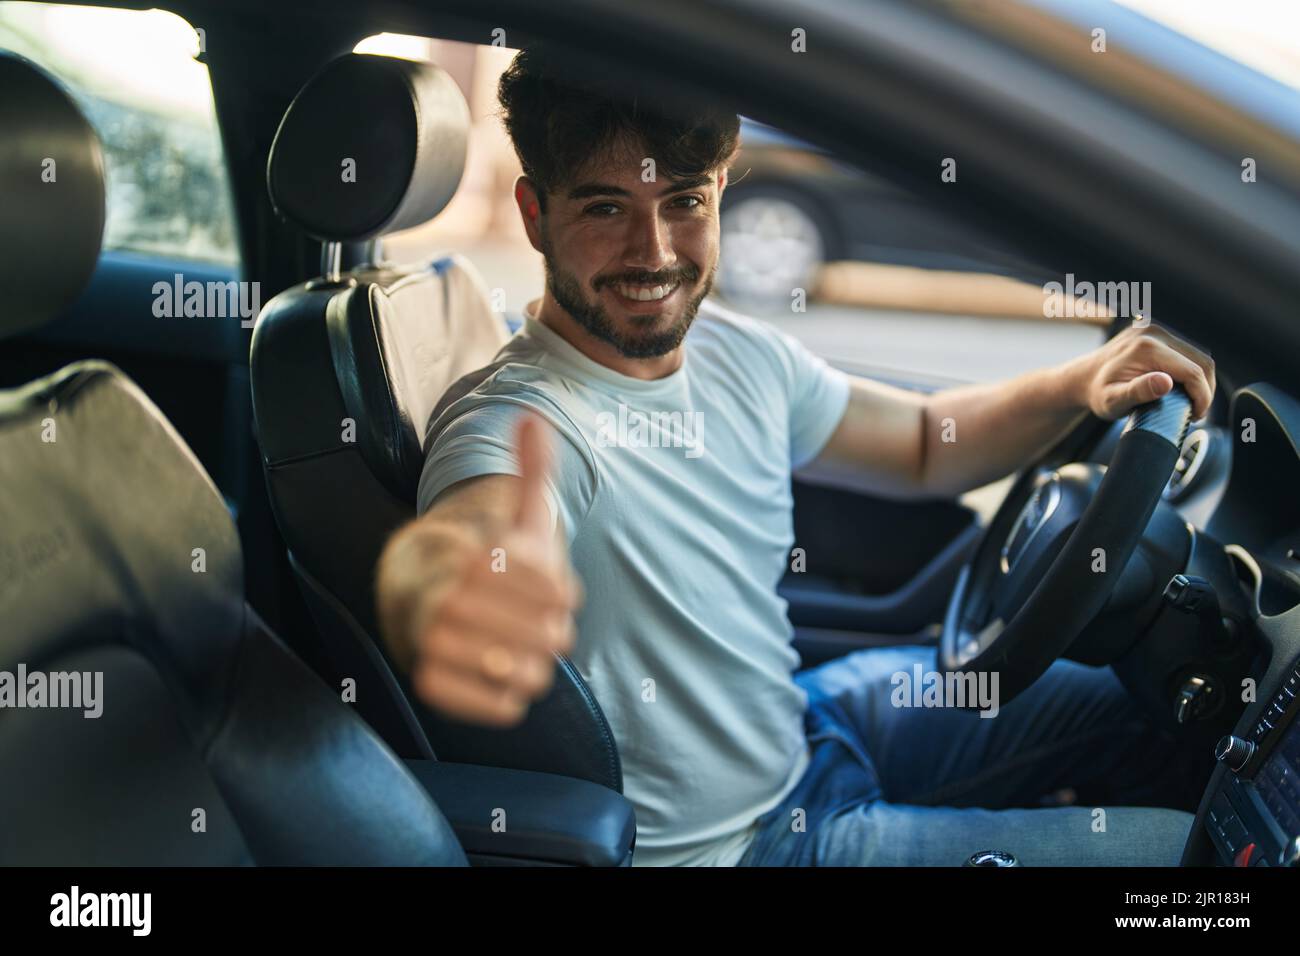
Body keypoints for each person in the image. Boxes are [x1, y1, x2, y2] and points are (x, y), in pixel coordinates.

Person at [375, 46, 1216, 866]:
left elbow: (927, 446)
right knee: (1194, 858)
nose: (655, 253)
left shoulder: (738, 353)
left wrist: (1082, 380)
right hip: (745, 847)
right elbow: (469, 535)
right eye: (604, 209)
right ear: (534, 215)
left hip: (807, 727)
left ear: (720, 191)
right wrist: (453, 589)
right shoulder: (520, 416)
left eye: (683, 202)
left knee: (1154, 703)